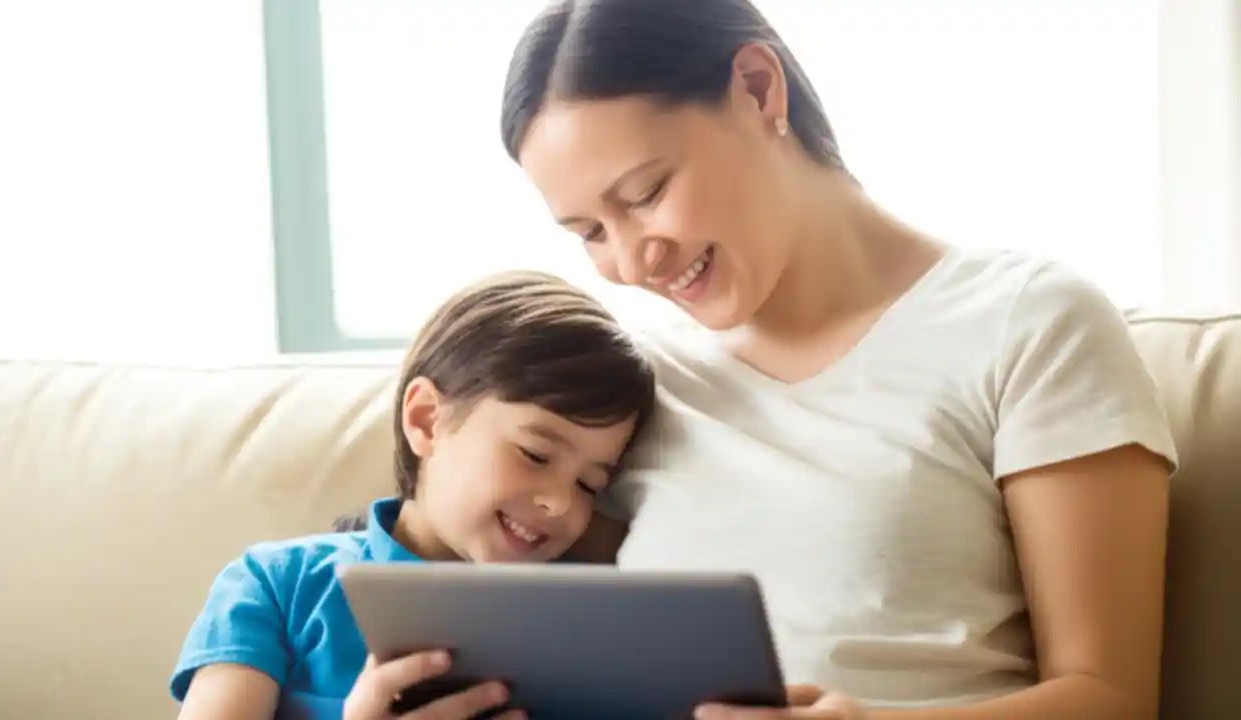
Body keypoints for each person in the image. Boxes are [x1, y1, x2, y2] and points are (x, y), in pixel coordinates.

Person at [500, 1, 1178, 718]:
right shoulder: (632, 389)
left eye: (646, 194)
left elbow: (1112, 698)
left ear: (758, 89)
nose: (632, 262)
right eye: (590, 232)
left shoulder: (1026, 323)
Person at [169, 271, 657, 720]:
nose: (561, 503)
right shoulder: (279, 586)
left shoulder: (594, 622)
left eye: (589, 484)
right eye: (535, 454)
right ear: (426, 420)